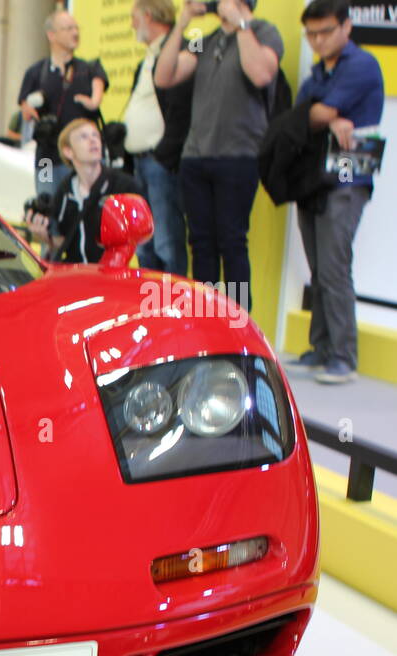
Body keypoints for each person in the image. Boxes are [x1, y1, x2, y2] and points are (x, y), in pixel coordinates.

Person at [155, 0, 283, 312]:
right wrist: (183, 22)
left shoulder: (264, 32)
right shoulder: (206, 39)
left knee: (232, 242)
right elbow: (164, 76)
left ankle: (238, 321)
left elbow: (261, 74)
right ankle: (206, 317)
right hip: (195, 157)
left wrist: (240, 23)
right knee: (201, 244)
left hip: (238, 156)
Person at [287, 0, 385, 385]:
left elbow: (312, 113)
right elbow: (301, 115)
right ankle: (321, 348)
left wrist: (323, 113)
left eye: (325, 31)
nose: (317, 40)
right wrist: (320, 113)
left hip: (347, 179)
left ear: (346, 27)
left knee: (334, 266)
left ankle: (344, 355)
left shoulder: (361, 65)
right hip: (314, 179)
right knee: (319, 268)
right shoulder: (316, 73)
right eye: (311, 34)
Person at [122, 0, 192, 276]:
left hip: (161, 163)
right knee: (144, 245)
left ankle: (172, 311)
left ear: (148, 16)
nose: (131, 25)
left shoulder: (181, 49)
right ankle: (151, 310)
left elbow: (182, 111)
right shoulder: (146, 60)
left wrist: (165, 156)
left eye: (134, 18)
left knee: (167, 244)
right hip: (140, 163)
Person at [18, 8, 108, 201]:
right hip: (46, 157)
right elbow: (25, 109)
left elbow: (97, 94)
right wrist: (30, 110)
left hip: (80, 158)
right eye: (68, 29)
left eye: (76, 28)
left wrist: (93, 102)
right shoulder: (36, 72)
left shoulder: (89, 69)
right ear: (52, 35)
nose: (75, 33)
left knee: (82, 206)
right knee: (46, 201)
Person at [24, 119, 143, 264]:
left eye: (95, 135)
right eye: (84, 137)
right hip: (77, 276)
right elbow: (65, 243)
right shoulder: (65, 191)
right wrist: (46, 238)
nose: (92, 140)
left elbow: (142, 241)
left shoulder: (124, 186)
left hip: (113, 276)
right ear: (68, 151)